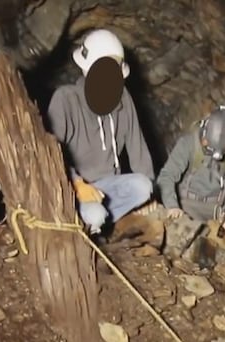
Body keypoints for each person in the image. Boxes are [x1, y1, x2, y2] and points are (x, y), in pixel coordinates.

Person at [46, 29, 155, 235]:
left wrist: (151, 196)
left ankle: (98, 225)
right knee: (95, 214)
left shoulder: (124, 101)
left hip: (108, 187)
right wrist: (76, 183)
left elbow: (137, 148)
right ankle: (85, 226)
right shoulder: (66, 99)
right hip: (75, 188)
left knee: (143, 186)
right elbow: (51, 151)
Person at [156, 105, 225, 232]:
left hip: (218, 207)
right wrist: (172, 206)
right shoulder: (188, 143)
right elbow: (167, 175)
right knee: (195, 234)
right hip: (188, 205)